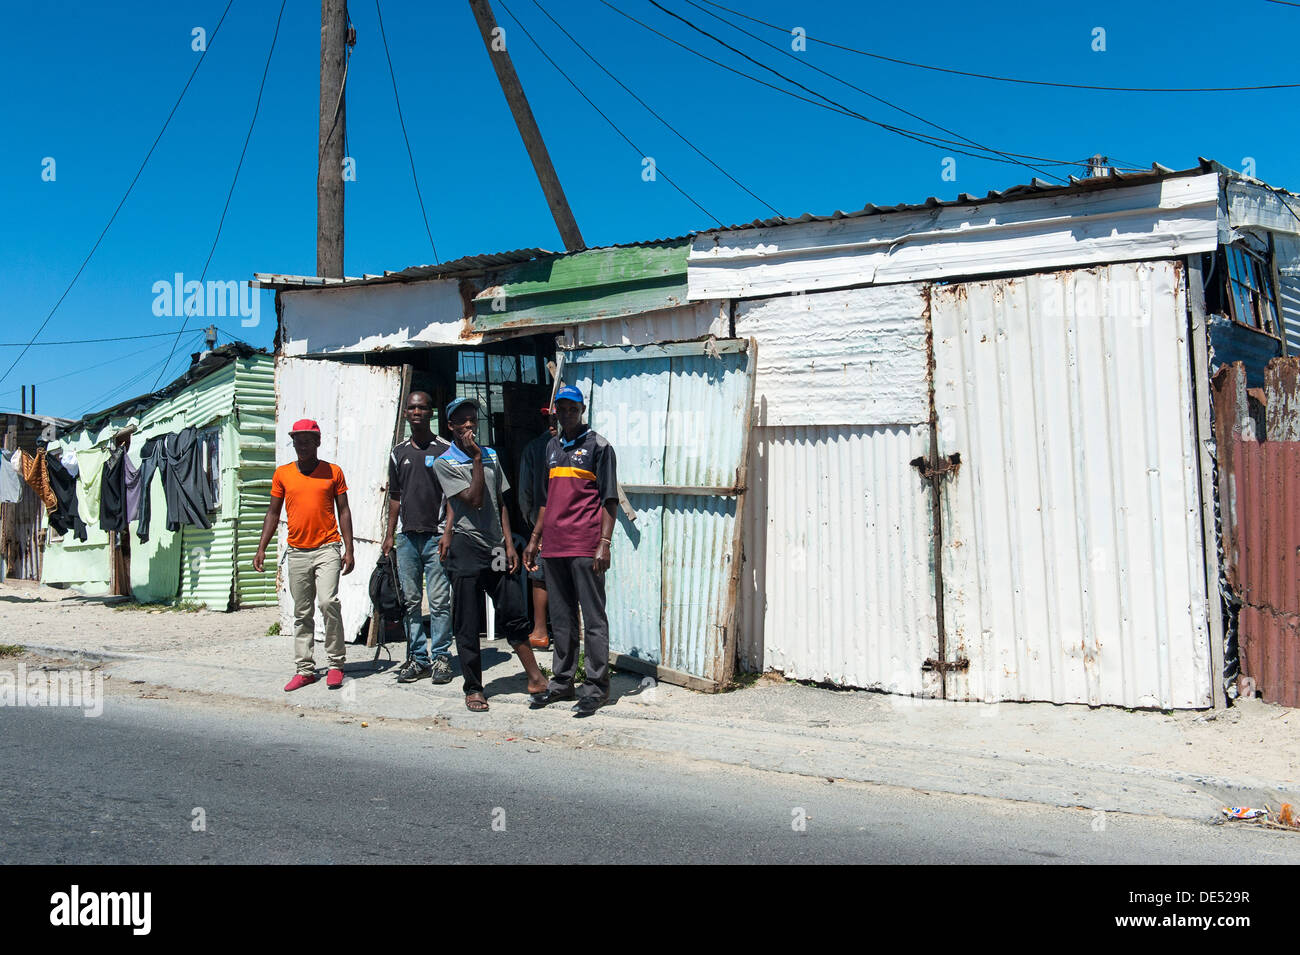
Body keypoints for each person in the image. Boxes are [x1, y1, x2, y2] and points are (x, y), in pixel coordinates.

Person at [433, 397, 548, 712]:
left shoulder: (492, 455)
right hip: (466, 548)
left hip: (496, 547)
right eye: (462, 421)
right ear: (451, 426)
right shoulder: (445, 462)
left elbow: (500, 501)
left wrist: (509, 544)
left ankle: (535, 678)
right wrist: (474, 460)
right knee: (467, 621)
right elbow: (475, 499)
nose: (469, 425)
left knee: (513, 610)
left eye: (472, 419)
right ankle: (473, 688)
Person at [524, 386, 618, 716]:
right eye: (560, 409)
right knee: (561, 619)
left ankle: (596, 686)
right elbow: (547, 502)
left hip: (585, 545)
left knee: (593, 619)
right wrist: (535, 540)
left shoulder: (599, 447)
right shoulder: (551, 447)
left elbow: (609, 500)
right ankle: (562, 681)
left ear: (582, 409)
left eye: (572, 409)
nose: (566, 414)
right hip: (554, 546)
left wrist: (604, 544)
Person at [254, 418, 355, 692]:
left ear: (317, 442)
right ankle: (305, 669)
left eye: (307, 441)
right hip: (297, 551)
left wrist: (350, 548)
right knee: (302, 612)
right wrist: (261, 547)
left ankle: (336, 663)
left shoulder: (333, 472)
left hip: (328, 548)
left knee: (328, 603)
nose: (301, 445)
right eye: (297, 440)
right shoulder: (283, 474)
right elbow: (273, 512)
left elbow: (343, 510)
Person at [382, 391, 455, 685]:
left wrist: (448, 533)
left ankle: (441, 658)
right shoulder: (398, 452)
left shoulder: (445, 450)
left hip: (436, 536)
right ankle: (417, 659)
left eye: (423, 408)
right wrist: (389, 535)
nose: (417, 412)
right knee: (410, 602)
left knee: (439, 603)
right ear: (406, 414)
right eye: (412, 408)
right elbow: (395, 498)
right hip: (407, 539)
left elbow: (454, 498)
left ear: (431, 412)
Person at [517, 408, 557, 650]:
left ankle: (542, 630)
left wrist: (533, 525)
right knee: (540, 574)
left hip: (545, 525)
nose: (553, 423)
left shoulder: (536, 447)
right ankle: (542, 630)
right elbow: (526, 493)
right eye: (550, 418)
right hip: (546, 525)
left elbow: (525, 495)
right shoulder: (537, 448)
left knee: (540, 576)